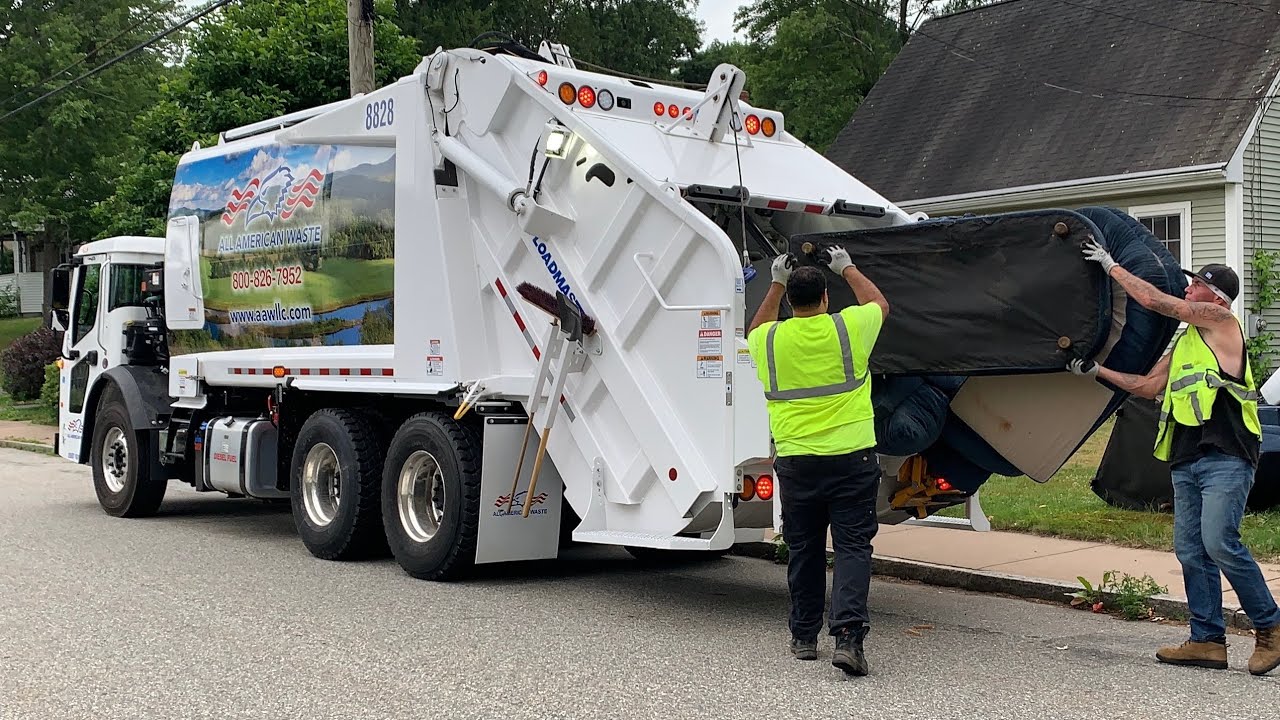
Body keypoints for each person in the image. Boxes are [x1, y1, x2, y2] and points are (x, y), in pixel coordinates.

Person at [1069, 239, 1279, 676]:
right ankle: (1207, 641)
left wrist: (1111, 266)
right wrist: (1094, 371)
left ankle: (1271, 628)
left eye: (1194, 285)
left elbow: (1153, 300)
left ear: (1215, 296)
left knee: (1220, 542)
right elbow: (1145, 386)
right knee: (1190, 550)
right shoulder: (1186, 345)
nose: (1187, 290)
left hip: (1226, 453)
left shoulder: (1221, 321)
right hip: (1187, 458)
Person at [746, 245, 889, 677]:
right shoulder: (849, 329)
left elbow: (757, 325)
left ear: (790, 301)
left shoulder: (769, 342)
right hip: (852, 460)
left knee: (804, 550)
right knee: (851, 548)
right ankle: (848, 640)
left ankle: (804, 636)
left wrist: (775, 280)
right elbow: (878, 303)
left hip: (797, 462)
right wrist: (847, 267)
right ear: (826, 298)